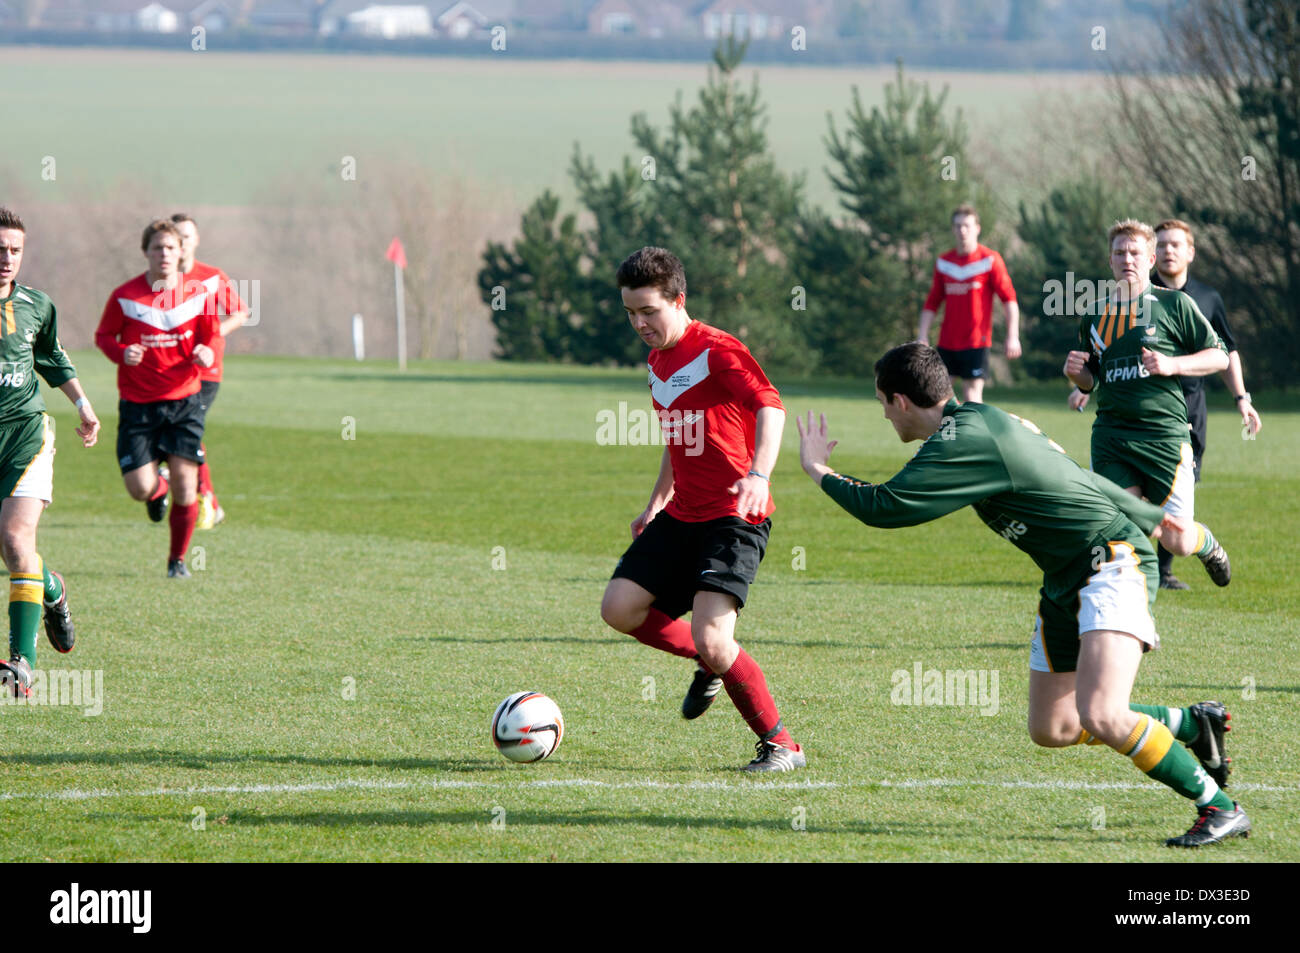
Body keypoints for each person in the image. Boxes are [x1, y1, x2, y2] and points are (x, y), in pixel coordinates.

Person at [797, 342, 1249, 847]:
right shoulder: (977, 421)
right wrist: (1162, 522)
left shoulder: (962, 440)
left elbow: (886, 507)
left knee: (1101, 712)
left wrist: (819, 469)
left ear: (901, 400)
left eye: (882, 402)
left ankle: (1220, 807)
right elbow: (1071, 476)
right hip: (1064, 579)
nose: (884, 415)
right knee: (1053, 726)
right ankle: (1192, 723)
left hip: (1110, 562)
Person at [598, 247, 804, 772]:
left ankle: (781, 746)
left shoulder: (717, 350)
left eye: (648, 311)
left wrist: (758, 475)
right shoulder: (656, 361)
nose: (639, 323)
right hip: (682, 513)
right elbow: (678, 440)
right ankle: (709, 664)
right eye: (630, 313)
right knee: (619, 609)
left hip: (734, 517)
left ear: (678, 299)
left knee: (714, 636)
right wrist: (655, 504)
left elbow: (771, 406)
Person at [1063, 219, 1231, 588]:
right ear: (1109, 261)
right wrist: (1078, 376)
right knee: (1122, 533)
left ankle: (1206, 542)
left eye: (1135, 252)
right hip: (1111, 437)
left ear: (1151, 258)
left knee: (1178, 540)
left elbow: (1220, 357)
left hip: (1163, 437)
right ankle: (1131, 622)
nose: (1127, 259)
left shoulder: (1174, 303)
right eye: (1119, 252)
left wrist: (1173, 364)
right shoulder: (1094, 314)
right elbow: (1093, 378)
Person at [0, 208, 102, 697]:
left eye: (15, 250)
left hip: (26, 436)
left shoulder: (36, 305)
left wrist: (83, 406)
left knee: (16, 541)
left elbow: (53, 358)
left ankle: (22, 665)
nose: (7, 258)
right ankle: (53, 591)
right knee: (14, 551)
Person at [96, 219, 218, 578]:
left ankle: (176, 561)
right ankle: (156, 489)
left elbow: (210, 338)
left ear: (181, 252)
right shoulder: (126, 296)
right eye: (157, 247)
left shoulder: (198, 295)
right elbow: (104, 335)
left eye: (170, 247)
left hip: (184, 402)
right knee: (139, 488)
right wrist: (121, 352)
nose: (164, 253)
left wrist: (206, 353)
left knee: (187, 485)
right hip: (138, 404)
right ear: (145, 252)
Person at [171, 213, 250, 531]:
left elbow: (241, 312)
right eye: (177, 237)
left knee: (189, 433)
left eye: (188, 237)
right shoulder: (162, 279)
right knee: (176, 434)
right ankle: (182, 490)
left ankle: (208, 501)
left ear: (196, 240)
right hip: (172, 372)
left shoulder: (213, 277)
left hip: (206, 372)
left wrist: (214, 335)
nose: (183, 242)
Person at [917, 204, 1020, 403]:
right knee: (936, 397)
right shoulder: (944, 262)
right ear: (952, 229)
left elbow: (1009, 299)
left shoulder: (990, 260)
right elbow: (932, 303)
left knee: (972, 396)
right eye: (957, 226)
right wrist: (922, 335)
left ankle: (974, 435)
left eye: (967, 225)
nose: (962, 230)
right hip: (947, 342)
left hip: (976, 341)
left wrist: (1013, 336)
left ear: (977, 228)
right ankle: (945, 435)